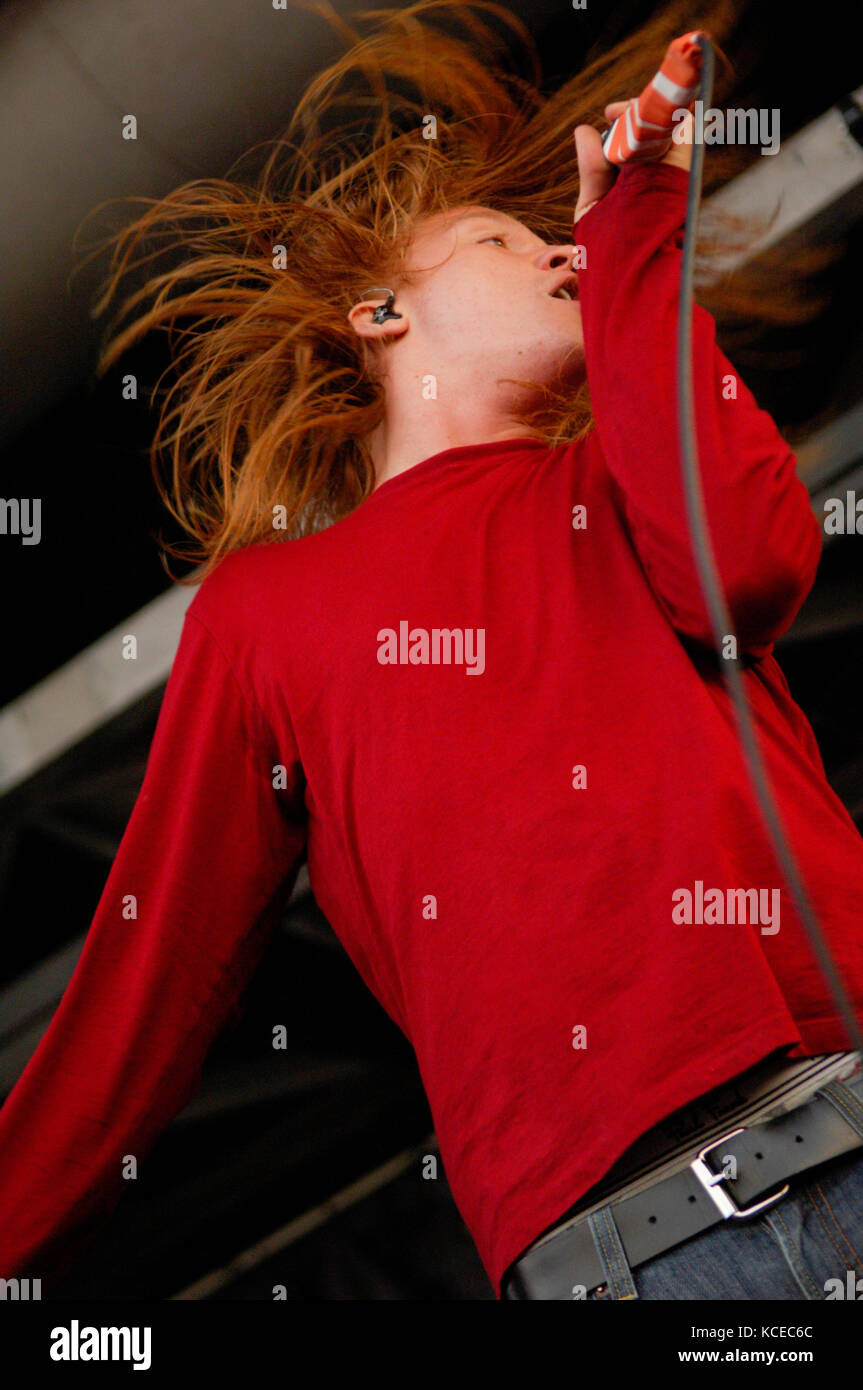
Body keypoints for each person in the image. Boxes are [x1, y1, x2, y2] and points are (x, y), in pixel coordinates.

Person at [2, 0, 863, 1301]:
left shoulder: (618, 483)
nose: (559, 252)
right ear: (380, 315)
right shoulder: (263, 614)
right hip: (625, 1251)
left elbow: (746, 563)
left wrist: (638, 238)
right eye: (505, 242)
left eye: (562, 240)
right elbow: (148, 975)